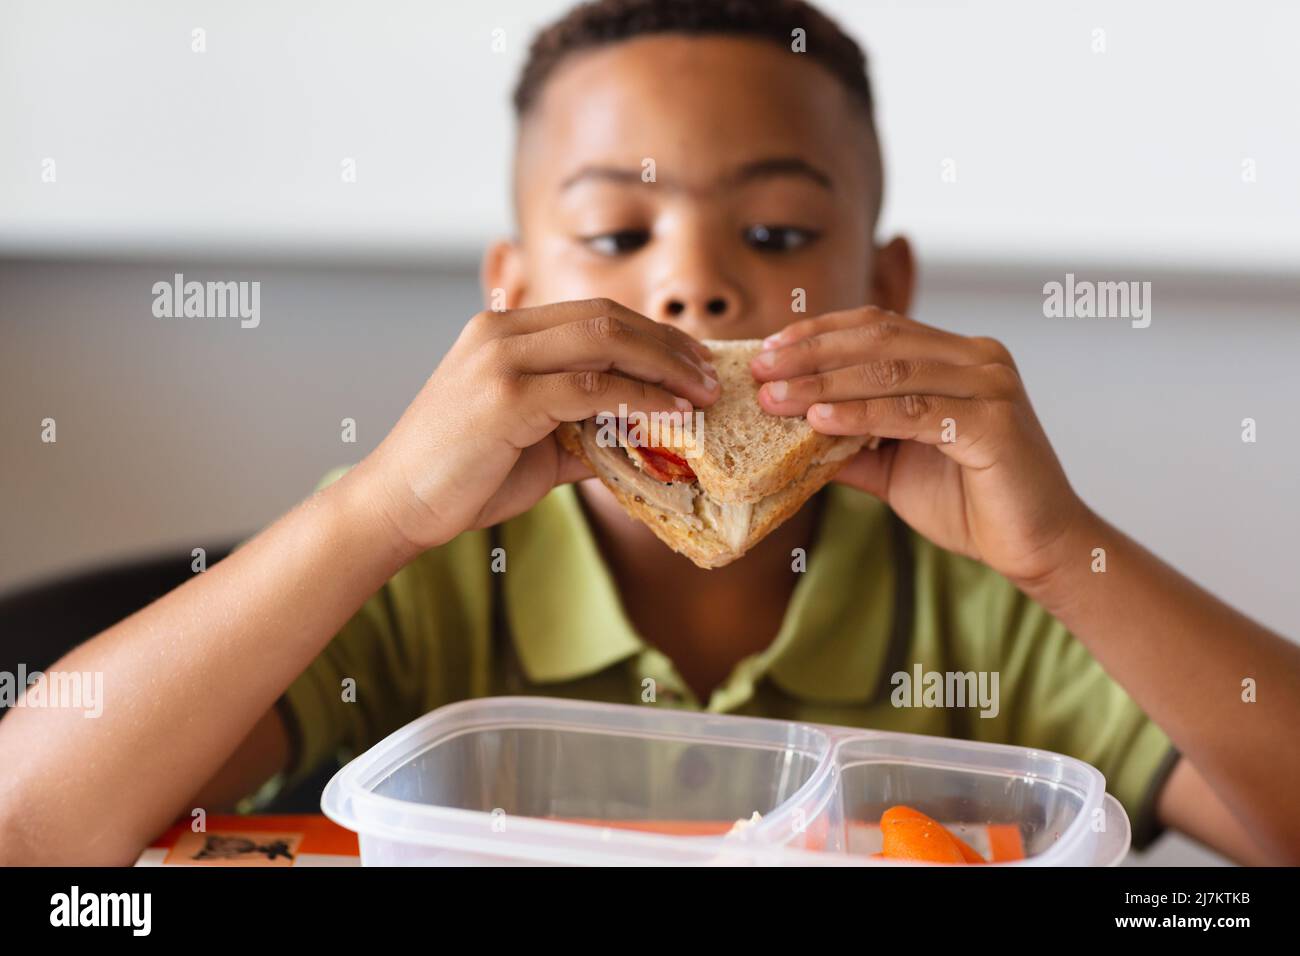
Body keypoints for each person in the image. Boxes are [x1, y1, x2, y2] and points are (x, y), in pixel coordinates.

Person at [3, 0, 1296, 866]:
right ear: (508, 292)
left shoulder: (984, 595)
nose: (691, 288)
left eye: (779, 234)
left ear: (884, 289)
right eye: (618, 235)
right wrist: (378, 513)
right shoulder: (426, 566)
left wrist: (1061, 553)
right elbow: (29, 831)